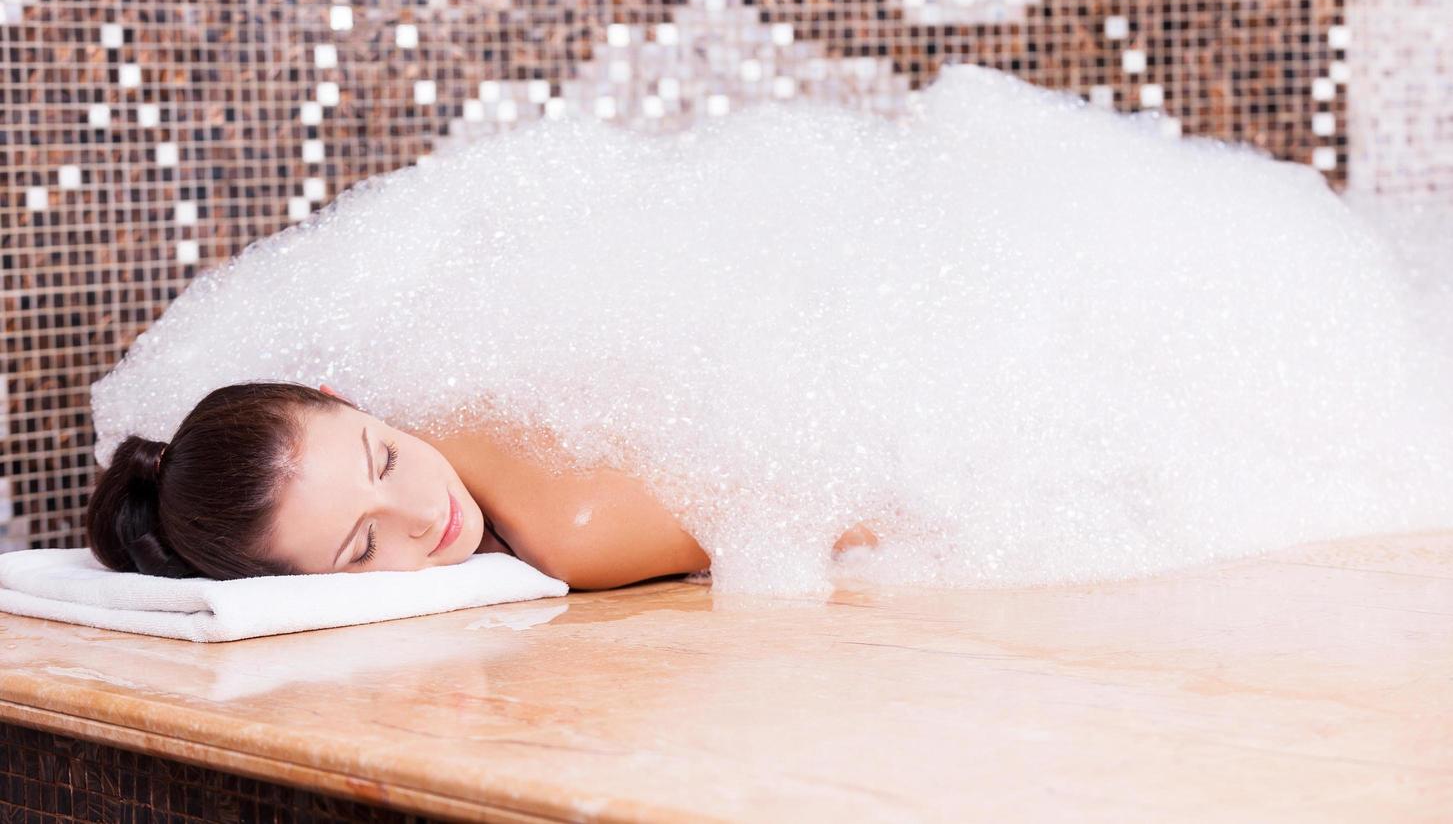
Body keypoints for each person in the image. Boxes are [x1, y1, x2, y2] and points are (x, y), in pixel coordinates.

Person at [86, 381, 879, 589]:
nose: (424, 513)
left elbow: (853, 516)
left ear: (346, 401)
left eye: (385, 461)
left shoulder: (571, 529)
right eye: (364, 546)